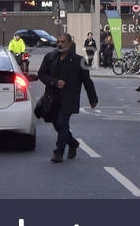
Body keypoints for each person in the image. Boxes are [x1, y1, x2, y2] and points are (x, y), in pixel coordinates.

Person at [36, 34, 98, 162]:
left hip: (69, 98)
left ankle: (59, 152)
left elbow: (87, 81)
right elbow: (41, 74)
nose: (60, 44)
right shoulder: (50, 58)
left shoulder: (79, 61)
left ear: (70, 43)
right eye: (58, 41)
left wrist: (93, 99)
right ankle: (73, 143)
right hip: (52, 98)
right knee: (57, 125)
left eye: (63, 42)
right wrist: (54, 82)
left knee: (63, 123)